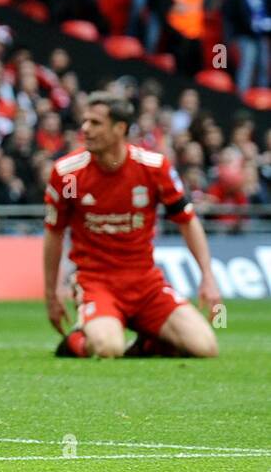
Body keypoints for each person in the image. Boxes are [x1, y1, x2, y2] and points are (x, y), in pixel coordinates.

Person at [44, 92, 220, 359]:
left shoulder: (153, 167)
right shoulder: (68, 173)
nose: (85, 129)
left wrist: (207, 276)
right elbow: (54, 233)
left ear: (120, 128)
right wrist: (52, 293)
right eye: (85, 121)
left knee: (205, 347)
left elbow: (188, 221)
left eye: (95, 123)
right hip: (96, 282)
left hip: (145, 282)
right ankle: (75, 341)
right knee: (108, 348)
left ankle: (147, 344)